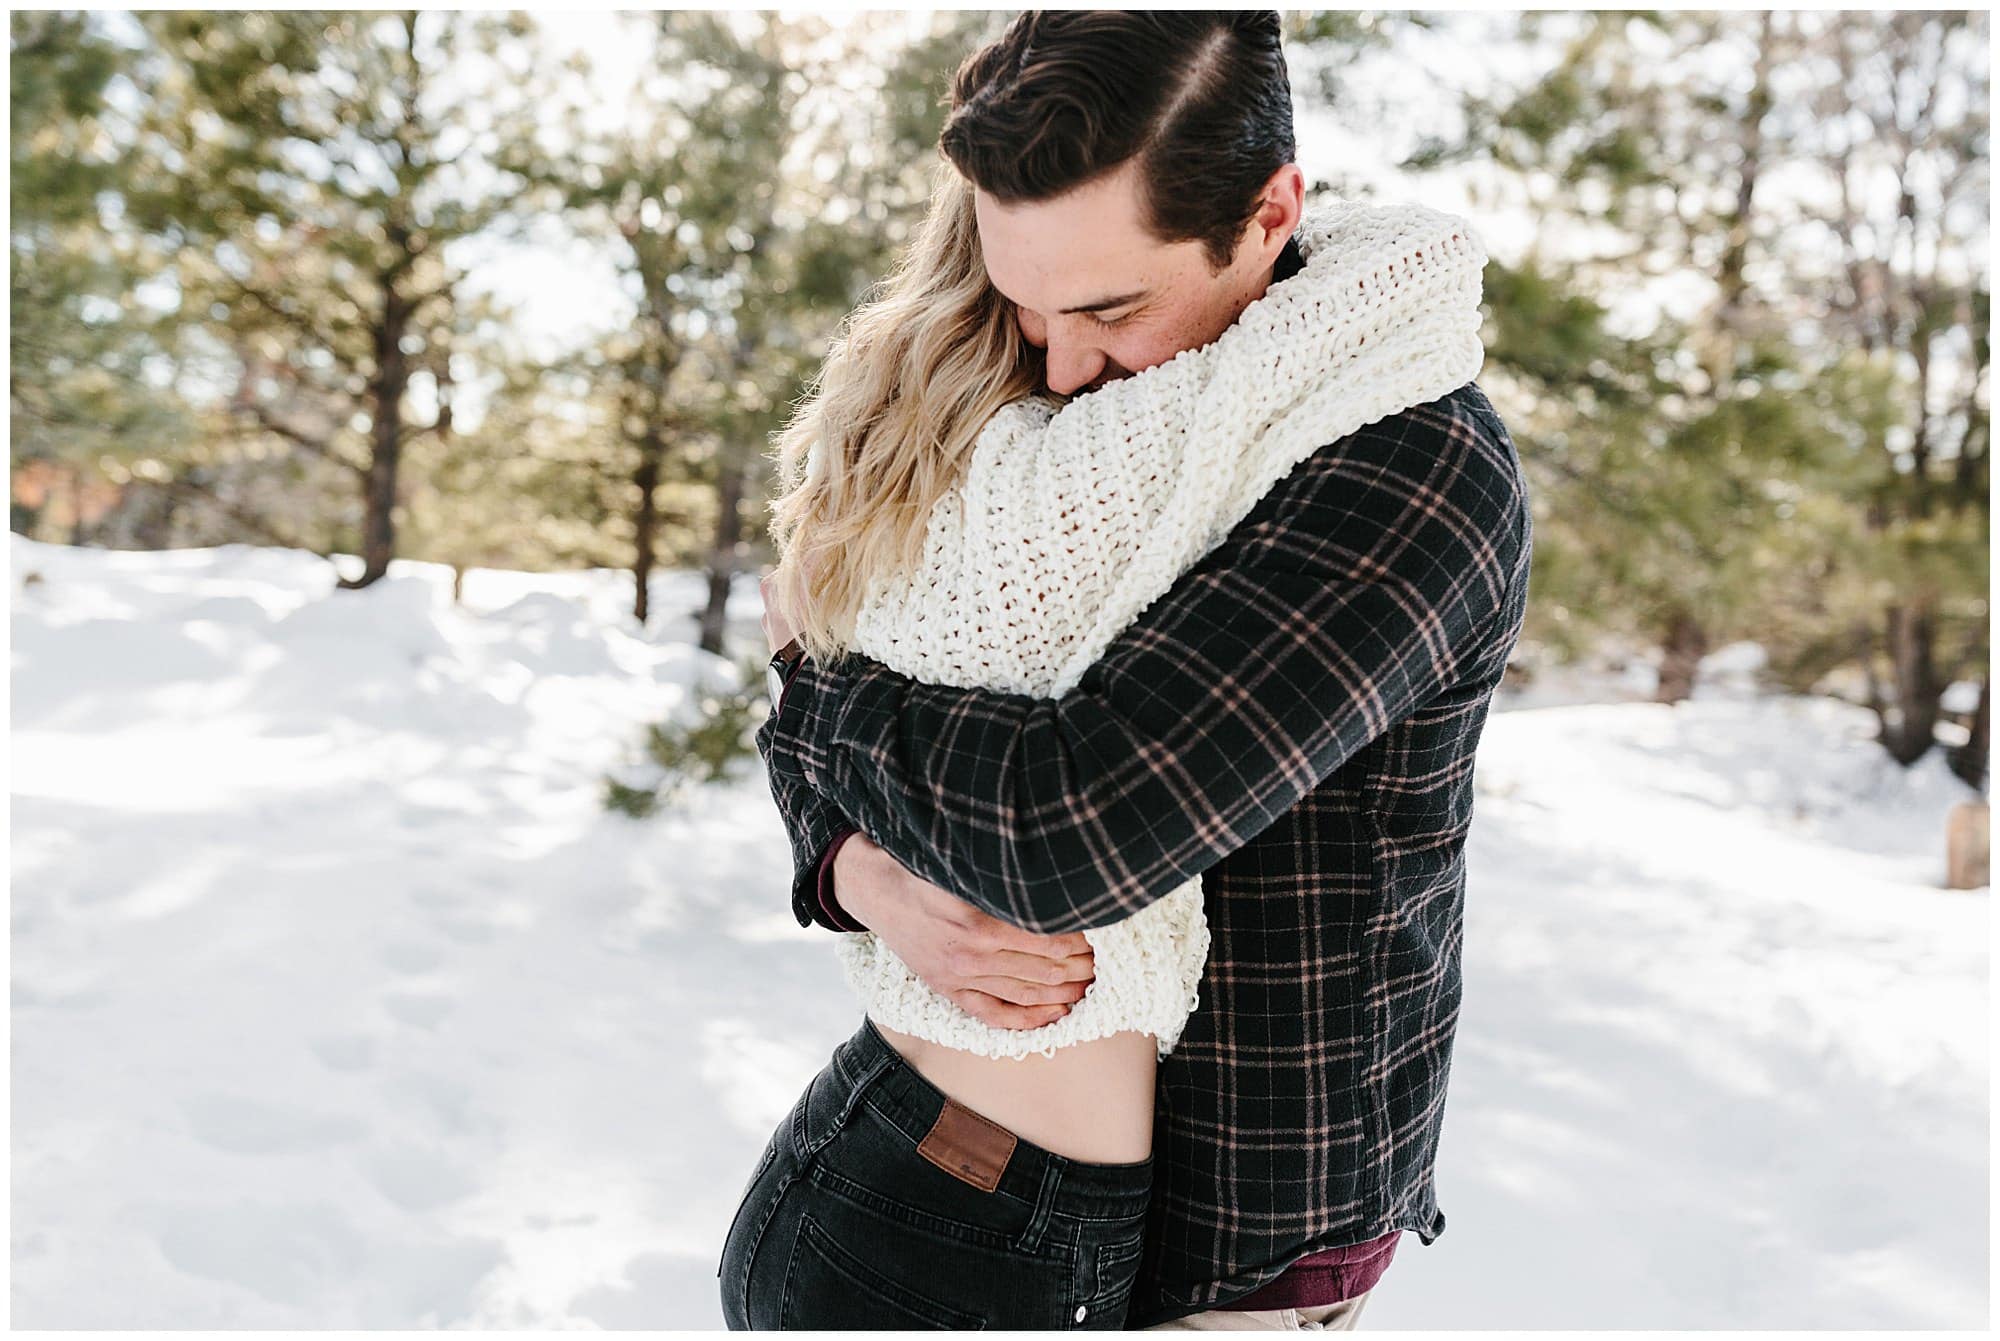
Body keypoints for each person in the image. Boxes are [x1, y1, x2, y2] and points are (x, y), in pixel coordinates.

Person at [727, 10, 1533, 1332]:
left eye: (1107, 307)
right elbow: (873, 701)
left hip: (1229, 1256)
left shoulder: (1404, 465)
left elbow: (1068, 831)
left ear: (1271, 212)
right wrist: (863, 874)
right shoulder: (1078, 432)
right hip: (922, 1165)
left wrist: (821, 693)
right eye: (1022, 304)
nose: (1060, 363)